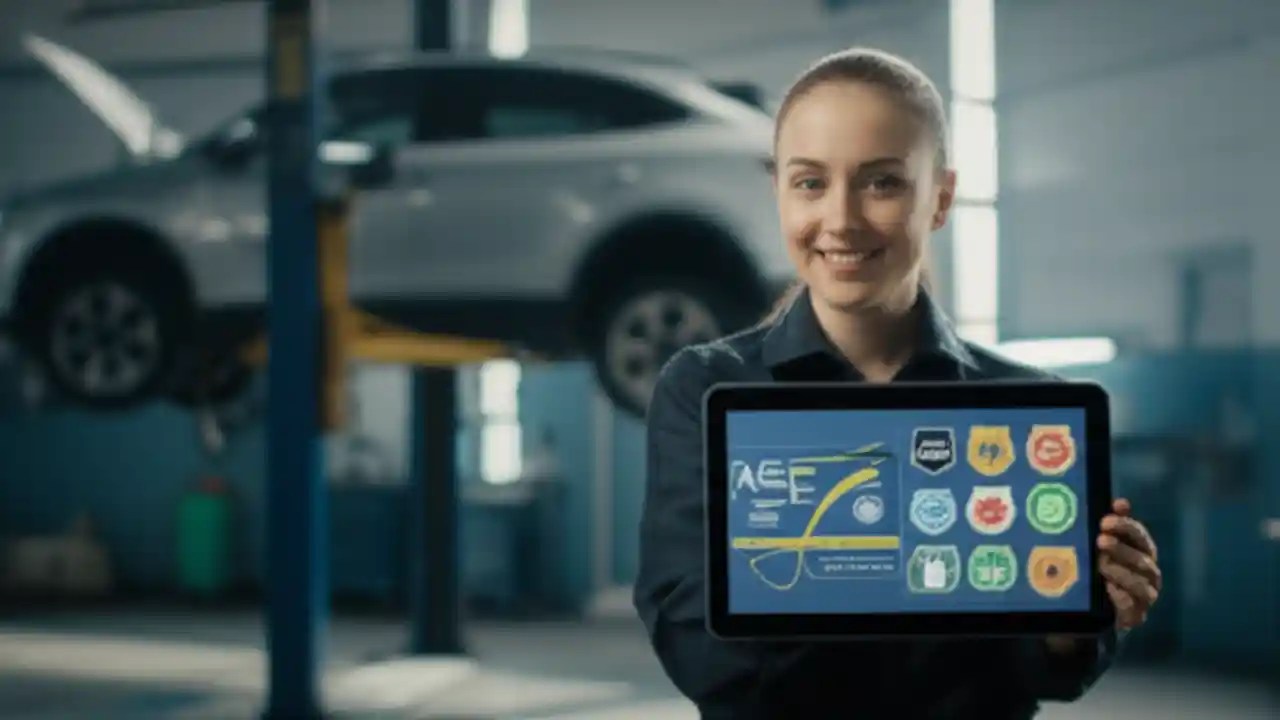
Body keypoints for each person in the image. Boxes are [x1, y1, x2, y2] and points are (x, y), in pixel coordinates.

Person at [633, 47, 1162, 719]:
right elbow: (699, 648)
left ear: (939, 198)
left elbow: (1049, 673)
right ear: (778, 192)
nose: (842, 219)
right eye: (809, 183)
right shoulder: (703, 387)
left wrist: (1074, 610)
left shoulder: (1027, 411)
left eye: (881, 183)